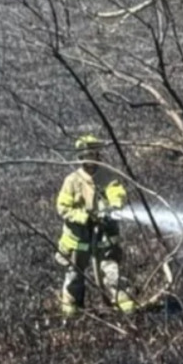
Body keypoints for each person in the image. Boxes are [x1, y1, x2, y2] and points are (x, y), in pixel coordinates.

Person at [55, 134, 135, 317]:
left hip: (104, 237)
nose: (91, 160)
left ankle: (126, 306)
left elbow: (117, 192)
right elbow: (63, 207)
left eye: (94, 155)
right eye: (87, 156)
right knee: (74, 276)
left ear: (99, 156)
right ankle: (71, 311)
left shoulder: (108, 176)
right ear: (80, 157)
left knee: (112, 271)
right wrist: (83, 217)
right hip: (78, 239)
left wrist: (113, 206)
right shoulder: (72, 181)